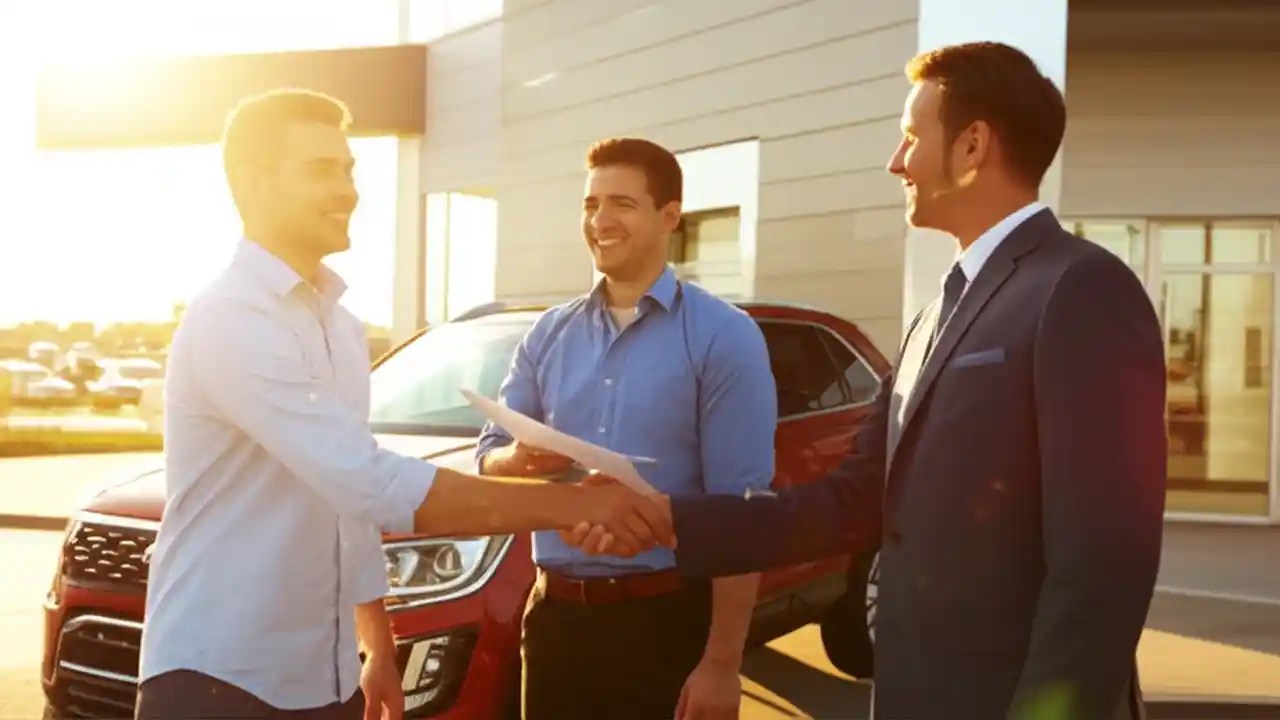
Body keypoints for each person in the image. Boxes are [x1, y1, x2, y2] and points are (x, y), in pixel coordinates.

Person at [570, 42, 1168, 720]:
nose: (896, 161)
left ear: (972, 146)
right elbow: (849, 503)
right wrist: (663, 521)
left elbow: (1104, 562)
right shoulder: (933, 317)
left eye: (912, 136)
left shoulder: (1080, 290)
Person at [135, 89, 671, 720]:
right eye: (320, 170)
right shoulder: (231, 318)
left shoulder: (337, 325)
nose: (349, 191)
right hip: (218, 679)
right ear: (252, 184)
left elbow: (345, 499)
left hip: (326, 680)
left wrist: (376, 644)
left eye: (348, 169)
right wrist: (581, 502)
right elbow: (368, 481)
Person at [475, 137, 777, 720]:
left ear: (670, 216)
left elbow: (743, 509)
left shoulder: (724, 336)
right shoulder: (547, 335)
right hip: (556, 620)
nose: (600, 221)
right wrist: (518, 462)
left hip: (665, 625)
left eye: (621, 204)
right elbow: (490, 457)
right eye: (590, 205)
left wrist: (722, 663)